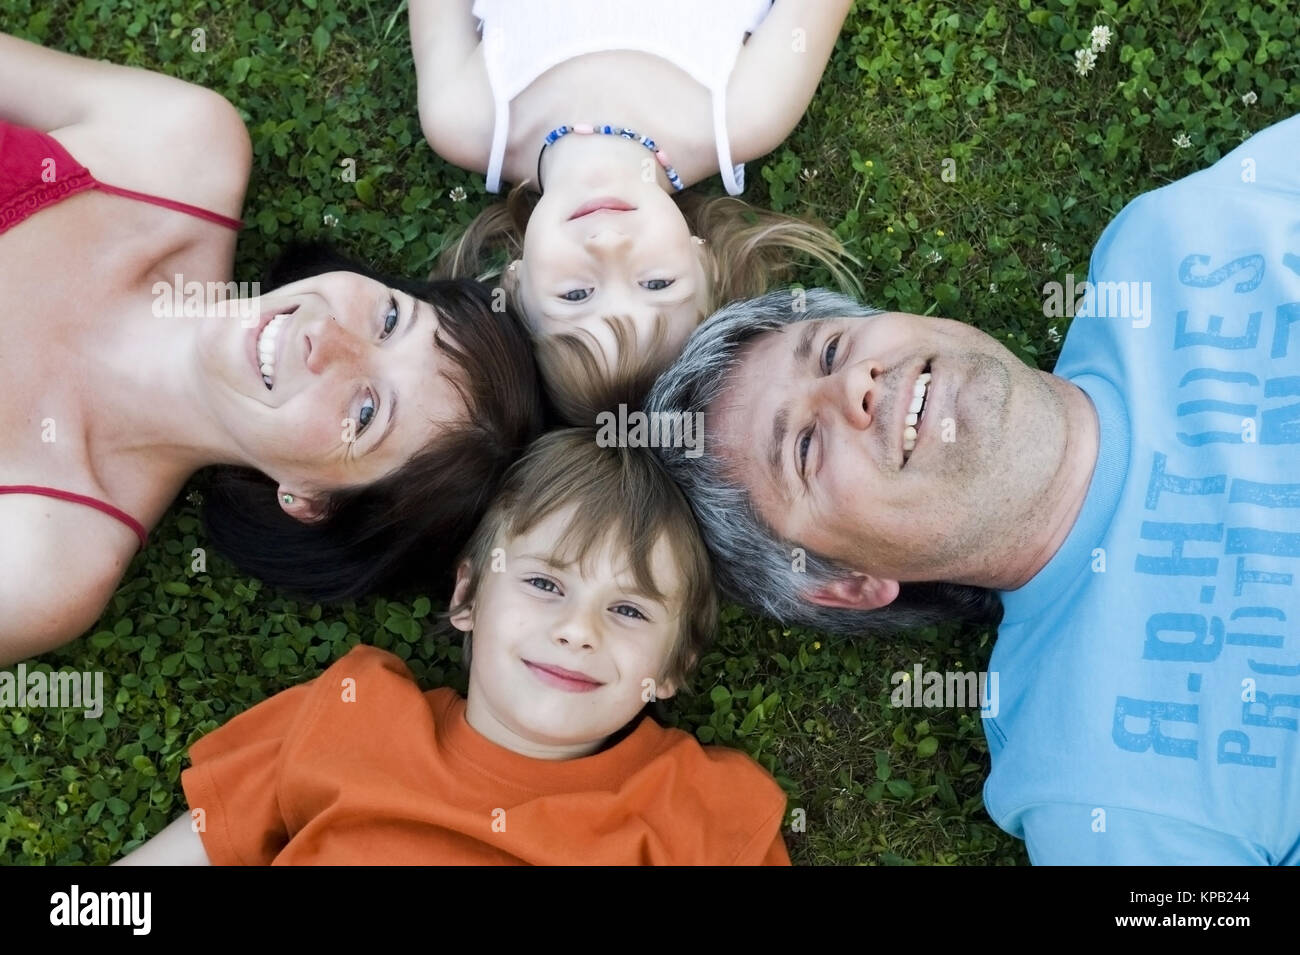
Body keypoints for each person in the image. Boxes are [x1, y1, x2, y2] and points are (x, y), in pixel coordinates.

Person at [645, 115, 1300, 864]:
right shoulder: (1099, 795)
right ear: (848, 583)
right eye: (804, 447)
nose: (854, 385)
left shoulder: (1172, 244)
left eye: (830, 348)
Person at [0, 33, 544, 665]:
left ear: (308, 499)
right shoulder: (182, 149)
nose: (328, 338)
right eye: (391, 319)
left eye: (366, 413)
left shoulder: (42, 562)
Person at [115, 429, 790, 865]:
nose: (579, 629)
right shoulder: (352, 716)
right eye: (541, 581)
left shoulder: (697, 809)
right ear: (466, 596)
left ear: (675, 665)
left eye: (627, 608)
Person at [412, 0, 859, 422]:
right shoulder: (748, 111)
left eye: (575, 295)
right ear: (703, 259)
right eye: (657, 283)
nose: (610, 245)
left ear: (514, 280)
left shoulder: (464, 117)